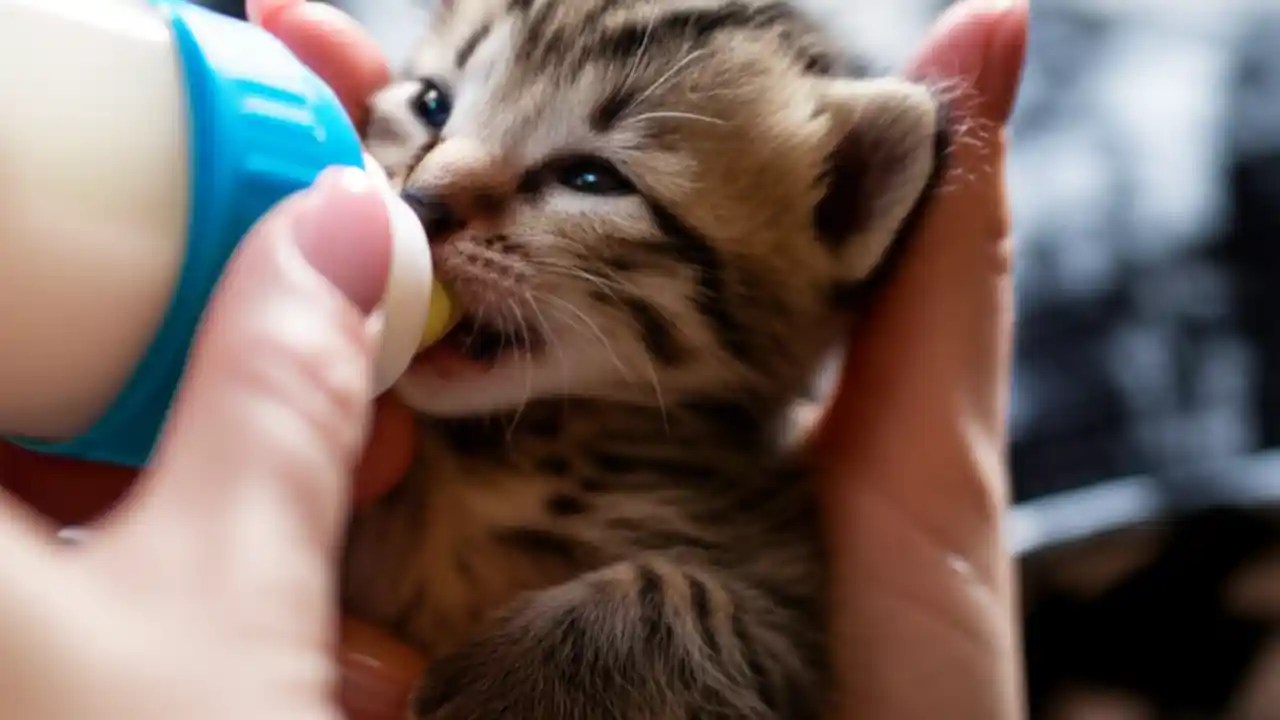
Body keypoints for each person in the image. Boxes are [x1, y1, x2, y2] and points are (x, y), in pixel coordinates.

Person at [0, 0, 1028, 717]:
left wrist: (643, 638)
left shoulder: (697, 542)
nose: (435, 186)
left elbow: (763, 640)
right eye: (437, 105)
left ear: (836, 201)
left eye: (589, 174)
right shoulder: (364, 396)